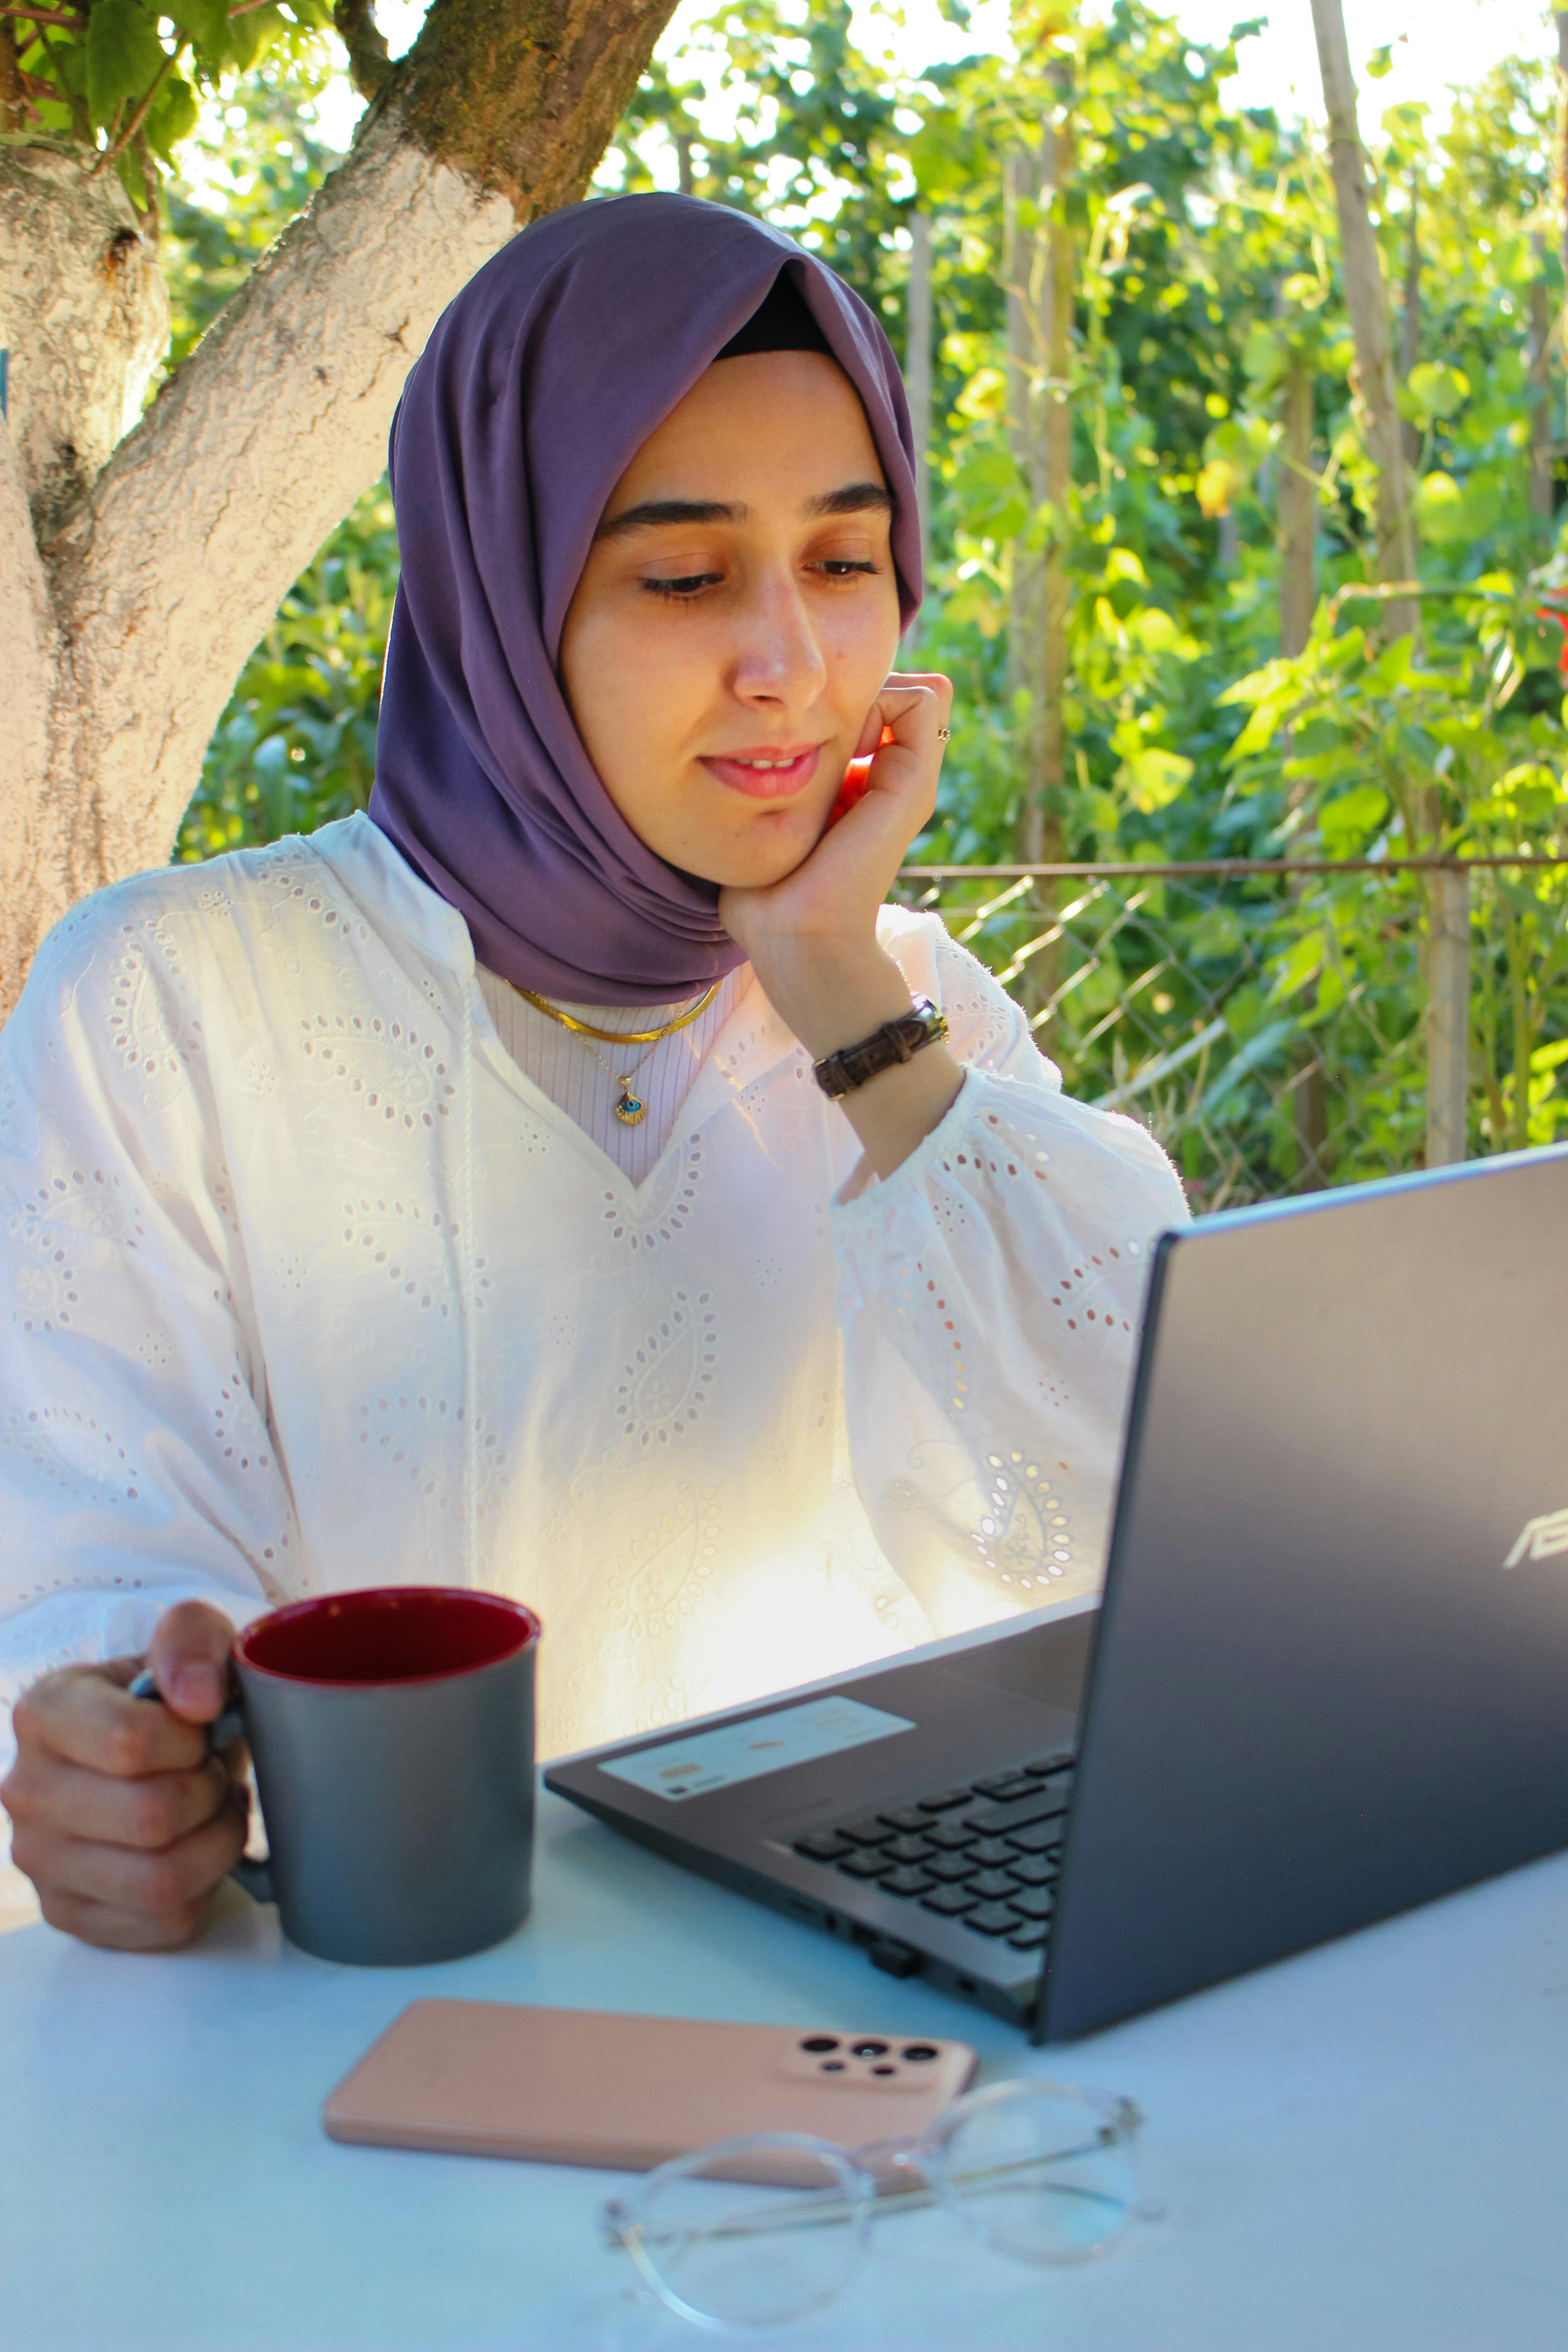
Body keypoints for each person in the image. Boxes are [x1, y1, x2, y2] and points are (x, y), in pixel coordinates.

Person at [0, 195, 1187, 1951]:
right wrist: (119, 1751)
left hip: (831, 2044)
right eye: (686, 575)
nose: (789, 664)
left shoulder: (910, 1022)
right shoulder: (182, 998)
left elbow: (1144, 1540)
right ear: (501, 597)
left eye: (847, 563)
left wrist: (839, 993)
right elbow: (91, 1566)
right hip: (355, 2070)